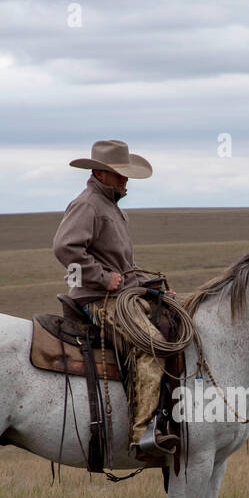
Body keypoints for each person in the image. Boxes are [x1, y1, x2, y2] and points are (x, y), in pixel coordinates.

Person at [53, 139, 179, 461]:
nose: (126, 180)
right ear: (100, 173)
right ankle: (143, 435)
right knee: (151, 345)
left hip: (119, 294)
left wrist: (157, 291)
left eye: (126, 175)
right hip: (97, 299)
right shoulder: (88, 205)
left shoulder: (112, 209)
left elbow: (125, 270)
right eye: (119, 174)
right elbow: (65, 248)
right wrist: (101, 277)